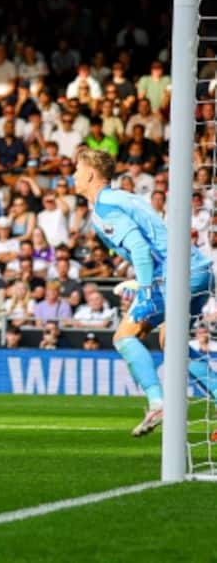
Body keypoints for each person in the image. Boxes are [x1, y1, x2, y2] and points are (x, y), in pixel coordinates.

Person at [73, 147, 214, 437]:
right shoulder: (122, 198)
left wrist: (147, 291)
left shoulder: (104, 207)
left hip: (177, 274)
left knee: (124, 336)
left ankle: (157, 402)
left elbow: (139, 248)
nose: (73, 176)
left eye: (77, 170)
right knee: (171, 343)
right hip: (198, 270)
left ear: (90, 175)